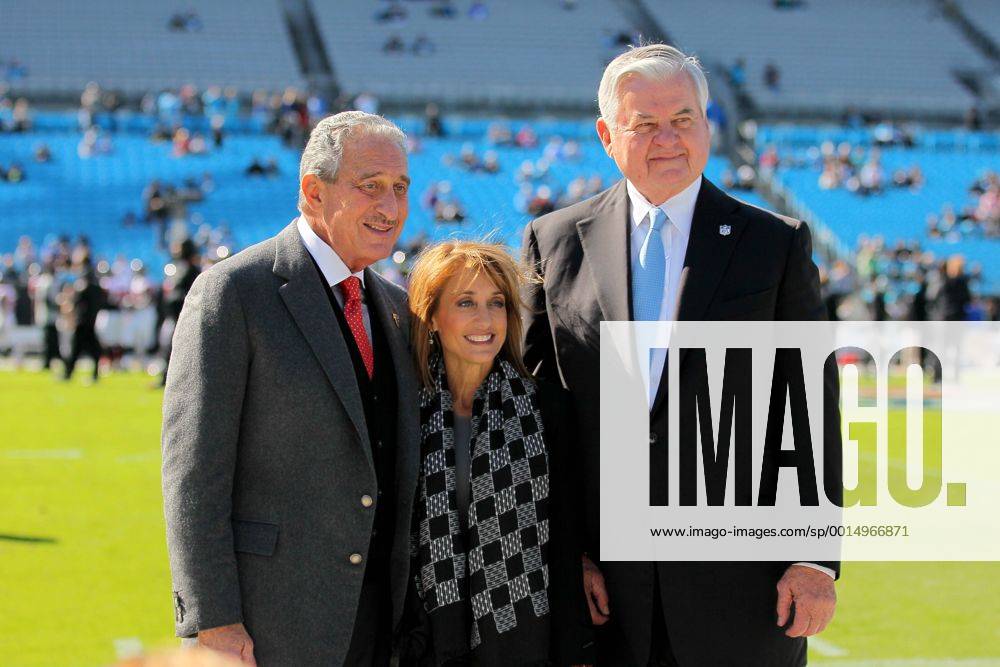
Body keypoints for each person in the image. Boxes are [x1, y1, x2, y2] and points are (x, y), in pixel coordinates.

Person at [522, 44, 841, 666]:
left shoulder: (774, 244)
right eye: (644, 124)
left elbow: (808, 409)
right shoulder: (553, 242)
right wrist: (568, 553)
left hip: (744, 588)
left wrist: (812, 558)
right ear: (606, 136)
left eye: (683, 119)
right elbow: (543, 414)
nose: (667, 139)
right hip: (603, 593)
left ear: (708, 125)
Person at [161, 111, 421, 665]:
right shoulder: (234, 292)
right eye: (370, 186)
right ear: (313, 191)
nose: (390, 207)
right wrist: (214, 619)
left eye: (400, 188)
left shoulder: (398, 308)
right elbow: (194, 473)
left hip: (379, 627)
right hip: (267, 625)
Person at [402, 241, 593, 665]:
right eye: (465, 302)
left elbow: (564, 544)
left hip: (523, 644)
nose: (485, 319)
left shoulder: (547, 408)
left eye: (497, 303)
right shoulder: (402, 412)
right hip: (420, 643)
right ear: (431, 316)